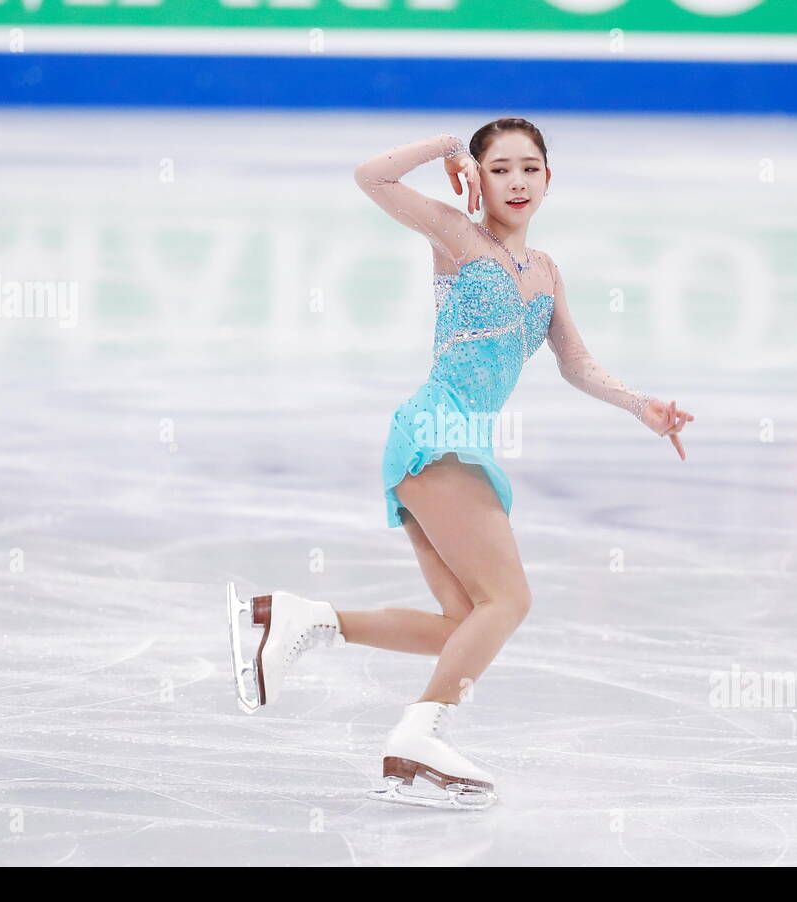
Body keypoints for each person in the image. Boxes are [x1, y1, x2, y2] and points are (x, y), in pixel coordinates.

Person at [228, 118, 691, 810]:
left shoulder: (547, 272)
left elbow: (576, 362)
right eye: (499, 168)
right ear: (477, 176)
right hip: (436, 429)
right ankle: (420, 732)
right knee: (509, 600)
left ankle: (301, 617)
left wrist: (639, 405)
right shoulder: (455, 236)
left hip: (456, 438)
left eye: (529, 168)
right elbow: (371, 177)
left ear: (548, 180)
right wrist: (447, 146)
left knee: (463, 623)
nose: (516, 181)